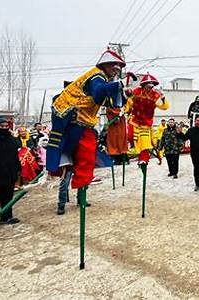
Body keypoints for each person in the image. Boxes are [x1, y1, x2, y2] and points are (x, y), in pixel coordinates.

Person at [47, 49, 127, 214]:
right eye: (115, 66)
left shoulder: (103, 79)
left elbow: (109, 101)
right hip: (72, 124)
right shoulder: (97, 76)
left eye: (119, 68)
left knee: (84, 163)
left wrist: (125, 93)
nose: (117, 70)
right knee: (67, 166)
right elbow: (99, 92)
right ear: (105, 65)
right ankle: (62, 204)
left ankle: (80, 198)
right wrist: (116, 85)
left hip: (82, 125)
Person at [125, 72, 170, 165]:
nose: (150, 88)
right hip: (134, 121)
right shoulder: (136, 92)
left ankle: (144, 159)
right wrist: (125, 109)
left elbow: (164, 107)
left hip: (146, 123)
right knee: (130, 137)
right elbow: (129, 102)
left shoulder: (155, 95)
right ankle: (132, 151)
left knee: (145, 143)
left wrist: (163, 98)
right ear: (144, 85)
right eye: (149, 86)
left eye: (152, 86)